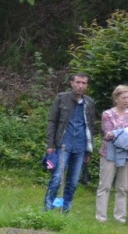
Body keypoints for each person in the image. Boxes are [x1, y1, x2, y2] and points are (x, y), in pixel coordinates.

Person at [44, 73, 96, 214]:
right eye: (78, 82)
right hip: (62, 145)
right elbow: (52, 122)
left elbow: (90, 127)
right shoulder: (61, 98)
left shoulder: (89, 103)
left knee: (72, 183)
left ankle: (65, 210)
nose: (80, 86)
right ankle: (48, 209)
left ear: (87, 85)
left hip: (80, 147)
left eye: (83, 83)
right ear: (71, 83)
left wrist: (89, 151)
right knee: (56, 178)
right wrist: (50, 145)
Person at [98, 84, 128, 224]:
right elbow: (108, 135)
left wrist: (118, 133)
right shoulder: (107, 114)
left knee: (123, 187)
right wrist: (122, 133)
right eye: (124, 97)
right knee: (105, 186)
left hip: (126, 155)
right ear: (116, 98)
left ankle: (120, 217)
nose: (126, 100)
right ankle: (101, 217)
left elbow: (115, 134)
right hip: (108, 154)